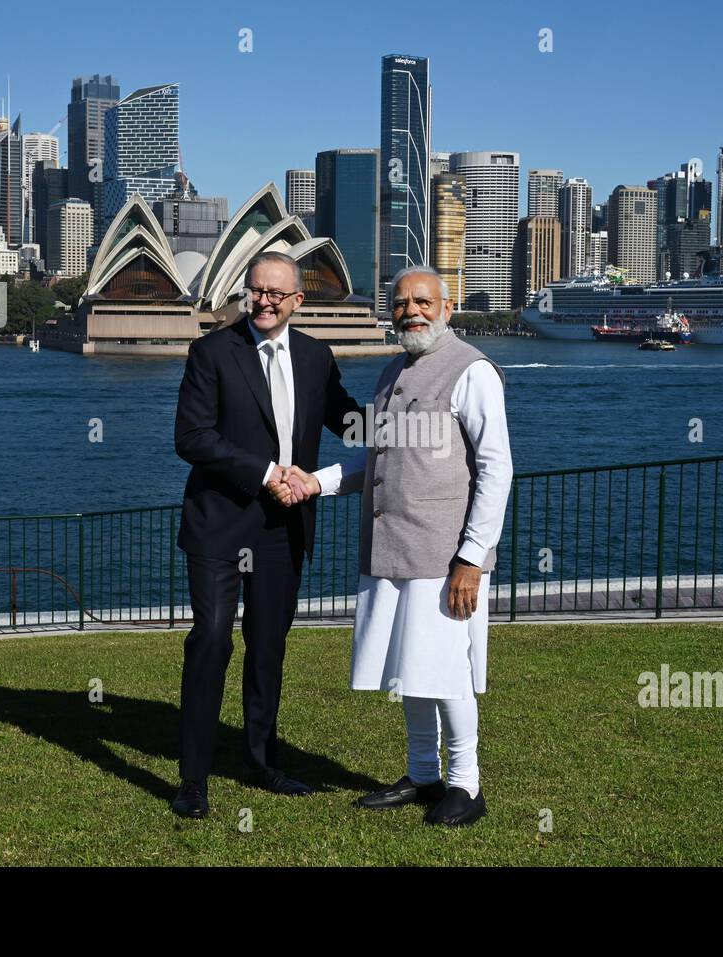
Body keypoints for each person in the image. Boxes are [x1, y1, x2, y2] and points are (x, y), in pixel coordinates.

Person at [272, 265, 512, 827]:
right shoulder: (391, 373)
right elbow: (373, 457)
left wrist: (472, 559)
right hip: (392, 548)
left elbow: (496, 470)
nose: (412, 312)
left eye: (423, 302)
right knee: (412, 667)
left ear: (446, 308)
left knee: (447, 670)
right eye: (401, 303)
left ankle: (466, 786)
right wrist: (315, 481)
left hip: (444, 554)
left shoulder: (473, 372)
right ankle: (422, 771)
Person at [171, 250, 362, 819]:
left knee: (268, 648)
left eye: (277, 293)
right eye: (257, 290)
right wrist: (267, 473)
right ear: (245, 292)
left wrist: (421, 411)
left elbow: (349, 421)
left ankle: (262, 763)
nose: (265, 301)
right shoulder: (211, 352)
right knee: (211, 642)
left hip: (283, 529)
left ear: (297, 301)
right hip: (220, 526)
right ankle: (193, 780)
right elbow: (191, 437)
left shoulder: (316, 357)